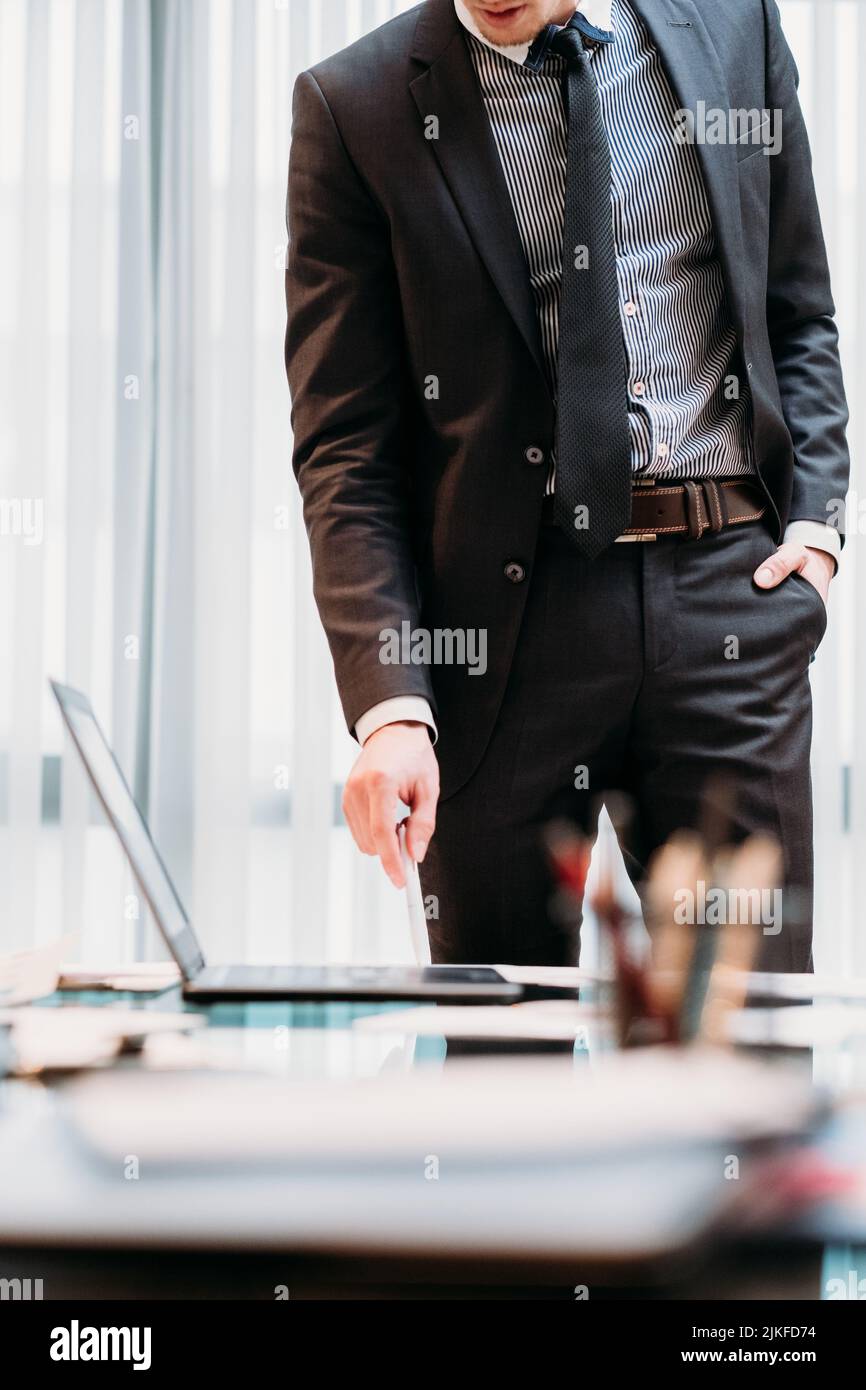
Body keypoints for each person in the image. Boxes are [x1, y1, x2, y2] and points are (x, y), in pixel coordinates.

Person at [285, 0, 849, 971]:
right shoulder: (358, 105)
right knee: (502, 1071)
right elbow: (346, 444)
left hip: (729, 605)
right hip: (500, 647)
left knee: (745, 1047)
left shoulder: (732, 28)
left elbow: (796, 307)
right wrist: (390, 705)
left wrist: (815, 527)